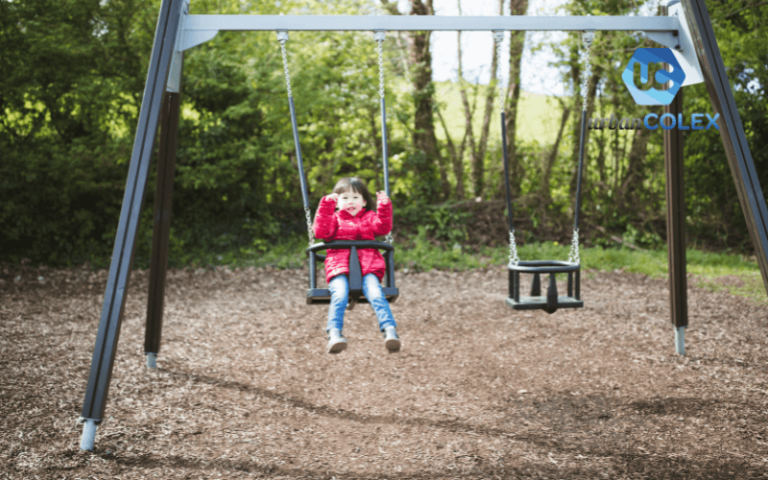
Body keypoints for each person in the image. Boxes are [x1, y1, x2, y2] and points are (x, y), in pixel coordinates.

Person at [313, 177, 400, 354]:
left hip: (368, 267)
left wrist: (384, 207)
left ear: (364, 202)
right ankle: (334, 334)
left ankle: (390, 331)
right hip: (339, 267)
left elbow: (382, 228)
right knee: (340, 293)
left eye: (355, 197)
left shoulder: (370, 218)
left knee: (376, 293)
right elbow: (321, 232)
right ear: (336, 202)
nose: (350, 202)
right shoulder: (334, 219)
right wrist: (326, 207)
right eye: (344, 198)